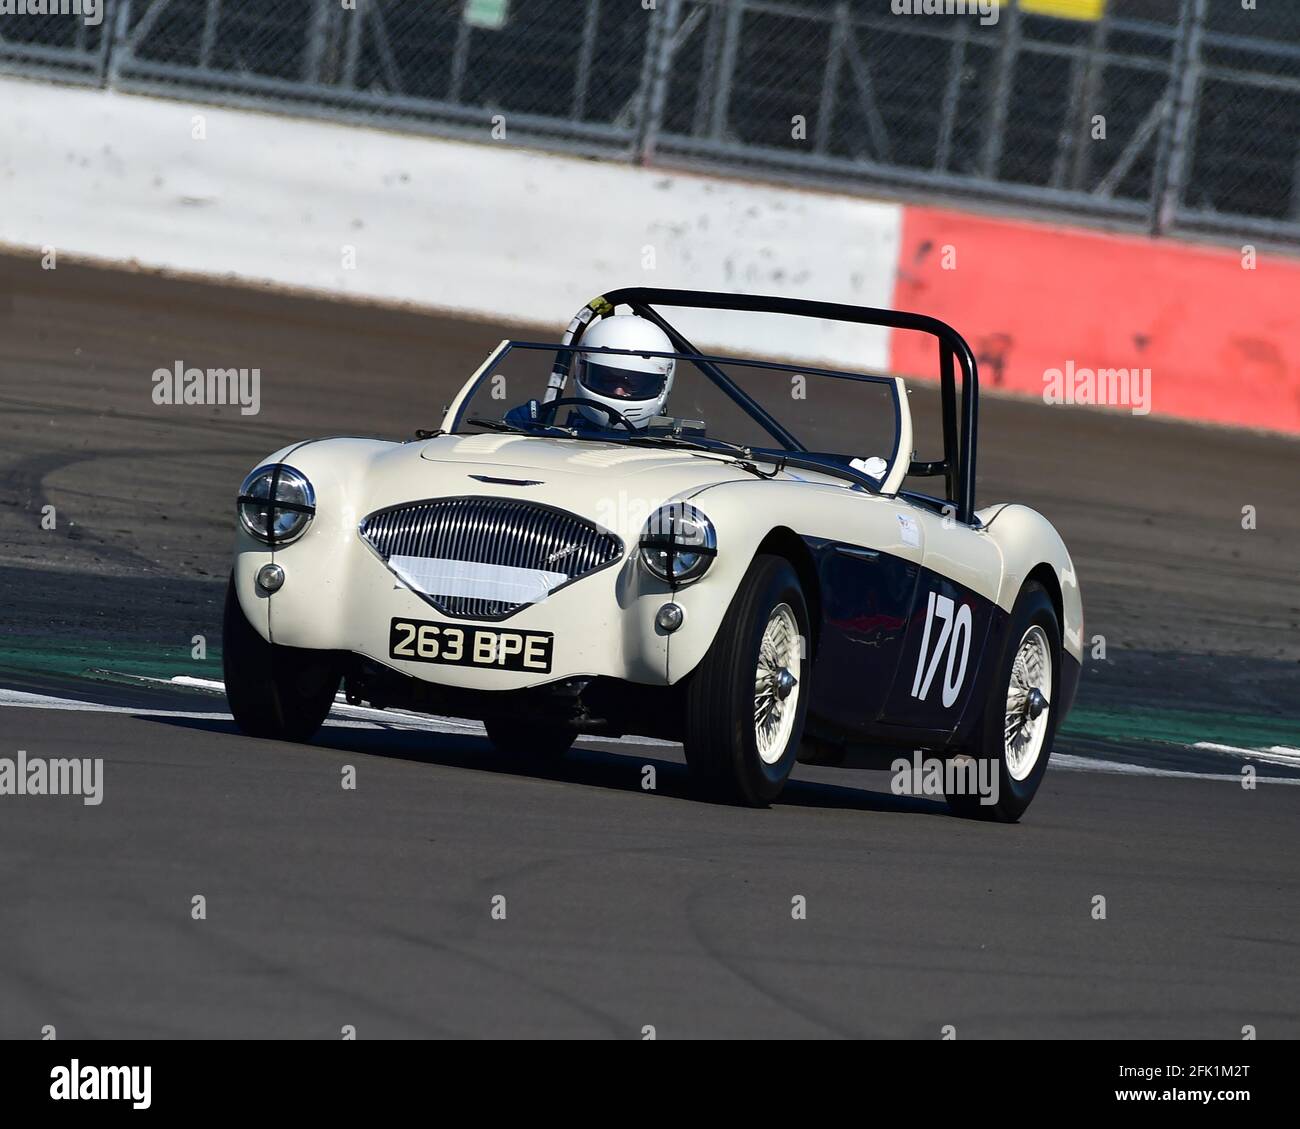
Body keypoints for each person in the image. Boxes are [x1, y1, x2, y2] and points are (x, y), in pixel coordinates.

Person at [506, 314, 676, 432]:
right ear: (580, 371)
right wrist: (512, 432)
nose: (618, 392)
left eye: (632, 383)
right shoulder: (554, 435)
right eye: (607, 379)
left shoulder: (676, 455)